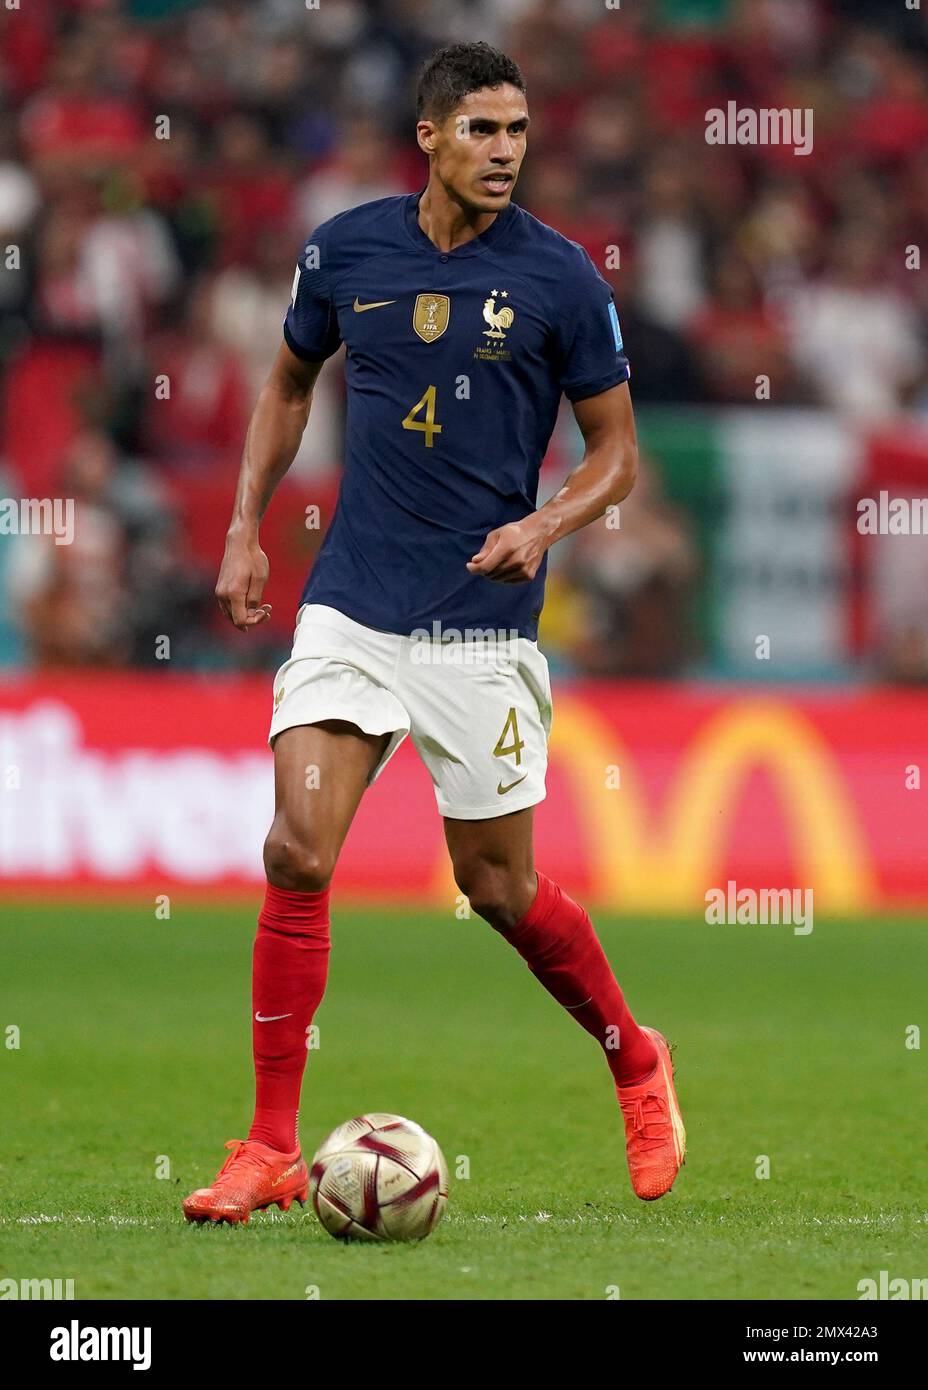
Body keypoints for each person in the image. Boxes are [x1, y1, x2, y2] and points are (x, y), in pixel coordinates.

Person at [183, 41, 685, 1227]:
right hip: (353, 601)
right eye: (481, 130)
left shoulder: (562, 280)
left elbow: (617, 453)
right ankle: (265, 1143)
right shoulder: (345, 248)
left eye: (517, 131)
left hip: (482, 624)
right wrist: (246, 528)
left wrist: (545, 522)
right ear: (429, 136)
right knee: (298, 852)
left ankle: (632, 1056)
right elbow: (289, 381)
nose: (505, 151)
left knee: (498, 885)